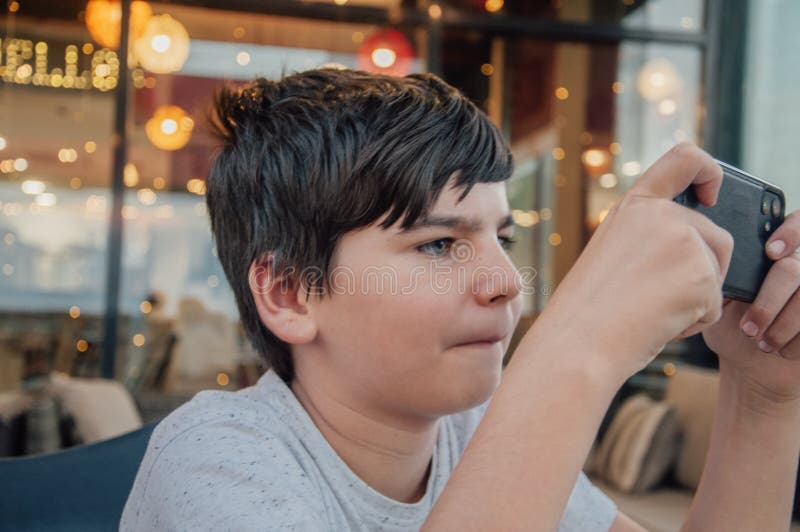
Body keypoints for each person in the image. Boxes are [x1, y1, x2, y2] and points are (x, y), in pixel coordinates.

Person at [121, 69, 800, 531]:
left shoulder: (468, 432)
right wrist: (579, 347)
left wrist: (764, 392)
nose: (506, 280)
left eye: (501, 237)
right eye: (440, 244)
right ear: (289, 293)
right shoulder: (215, 458)